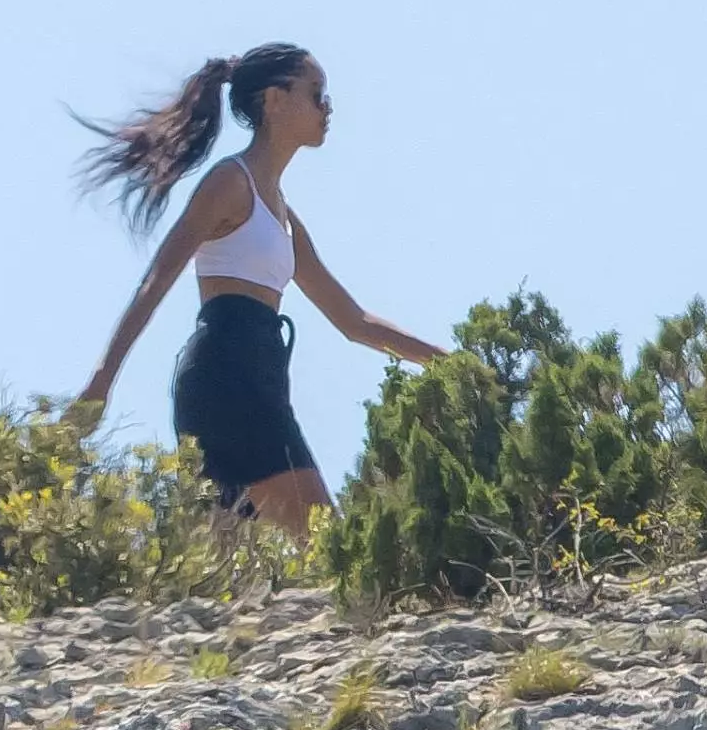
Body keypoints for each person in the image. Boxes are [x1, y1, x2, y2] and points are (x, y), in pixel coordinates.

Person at [67, 42, 448, 535]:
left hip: (260, 376)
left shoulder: (284, 217)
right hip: (228, 373)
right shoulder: (230, 182)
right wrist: (101, 381)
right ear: (273, 99)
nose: (327, 107)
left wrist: (449, 363)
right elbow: (157, 279)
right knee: (324, 543)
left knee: (228, 571)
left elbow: (354, 322)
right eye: (316, 93)